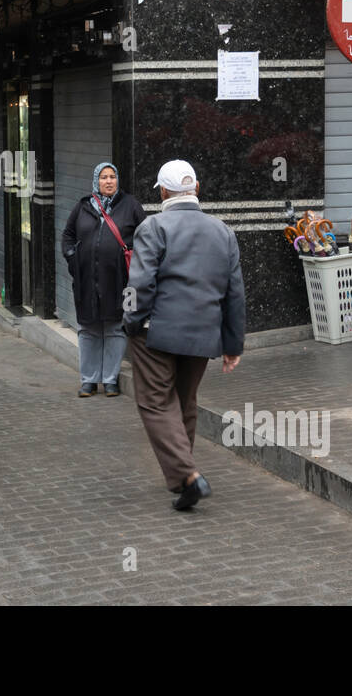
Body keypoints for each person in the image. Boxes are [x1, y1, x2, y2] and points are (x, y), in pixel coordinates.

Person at [122, 160, 245, 511]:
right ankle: (180, 478)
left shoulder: (153, 226)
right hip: (203, 335)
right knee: (184, 402)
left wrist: (131, 321)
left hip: (156, 333)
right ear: (197, 188)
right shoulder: (222, 231)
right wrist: (232, 344)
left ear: (162, 192)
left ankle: (189, 476)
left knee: (156, 402)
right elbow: (235, 292)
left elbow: (140, 283)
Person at [61, 162, 146, 398]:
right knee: (88, 329)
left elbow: (146, 237)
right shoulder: (83, 206)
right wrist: (72, 258)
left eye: (112, 177)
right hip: (86, 280)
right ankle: (88, 381)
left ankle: (110, 380)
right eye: (103, 177)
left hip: (120, 280)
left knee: (115, 328)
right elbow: (67, 235)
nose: (108, 181)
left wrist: (135, 263)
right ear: (96, 181)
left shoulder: (131, 206)